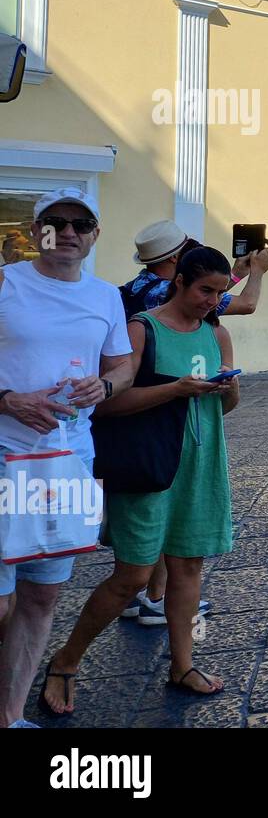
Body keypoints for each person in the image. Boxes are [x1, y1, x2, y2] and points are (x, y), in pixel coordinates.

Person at [41, 245, 240, 714]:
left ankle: (182, 665)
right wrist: (176, 389)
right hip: (149, 464)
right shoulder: (141, 329)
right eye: (204, 290)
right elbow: (107, 405)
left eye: (219, 292)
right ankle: (65, 660)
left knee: (189, 567)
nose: (211, 301)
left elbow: (225, 410)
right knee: (130, 576)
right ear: (180, 282)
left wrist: (228, 390)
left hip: (200, 463)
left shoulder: (218, 333)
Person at [0, 187, 135, 728]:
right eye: (56, 222)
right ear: (36, 233)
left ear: (95, 235)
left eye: (83, 224)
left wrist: (105, 386)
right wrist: (7, 401)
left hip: (69, 462)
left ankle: (8, 717)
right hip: (5, 458)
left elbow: (122, 365)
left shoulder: (105, 297)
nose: (70, 232)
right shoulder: (6, 285)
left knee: (41, 596)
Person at [116, 221, 268, 625]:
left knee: (167, 523)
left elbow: (207, 291)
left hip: (143, 428)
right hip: (165, 416)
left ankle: (151, 595)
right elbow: (241, 305)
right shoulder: (159, 304)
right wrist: (255, 273)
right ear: (175, 264)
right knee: (171, 512)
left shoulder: (134, 289)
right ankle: (153, 596)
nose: (212, 297)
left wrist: (231, 273)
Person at [121, 220, 268, 318]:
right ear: (174, 258)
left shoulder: (136, 286)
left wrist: (237, 274)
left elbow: (207, 293)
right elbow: (247, 304)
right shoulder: (166, 291)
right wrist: (258, 270)